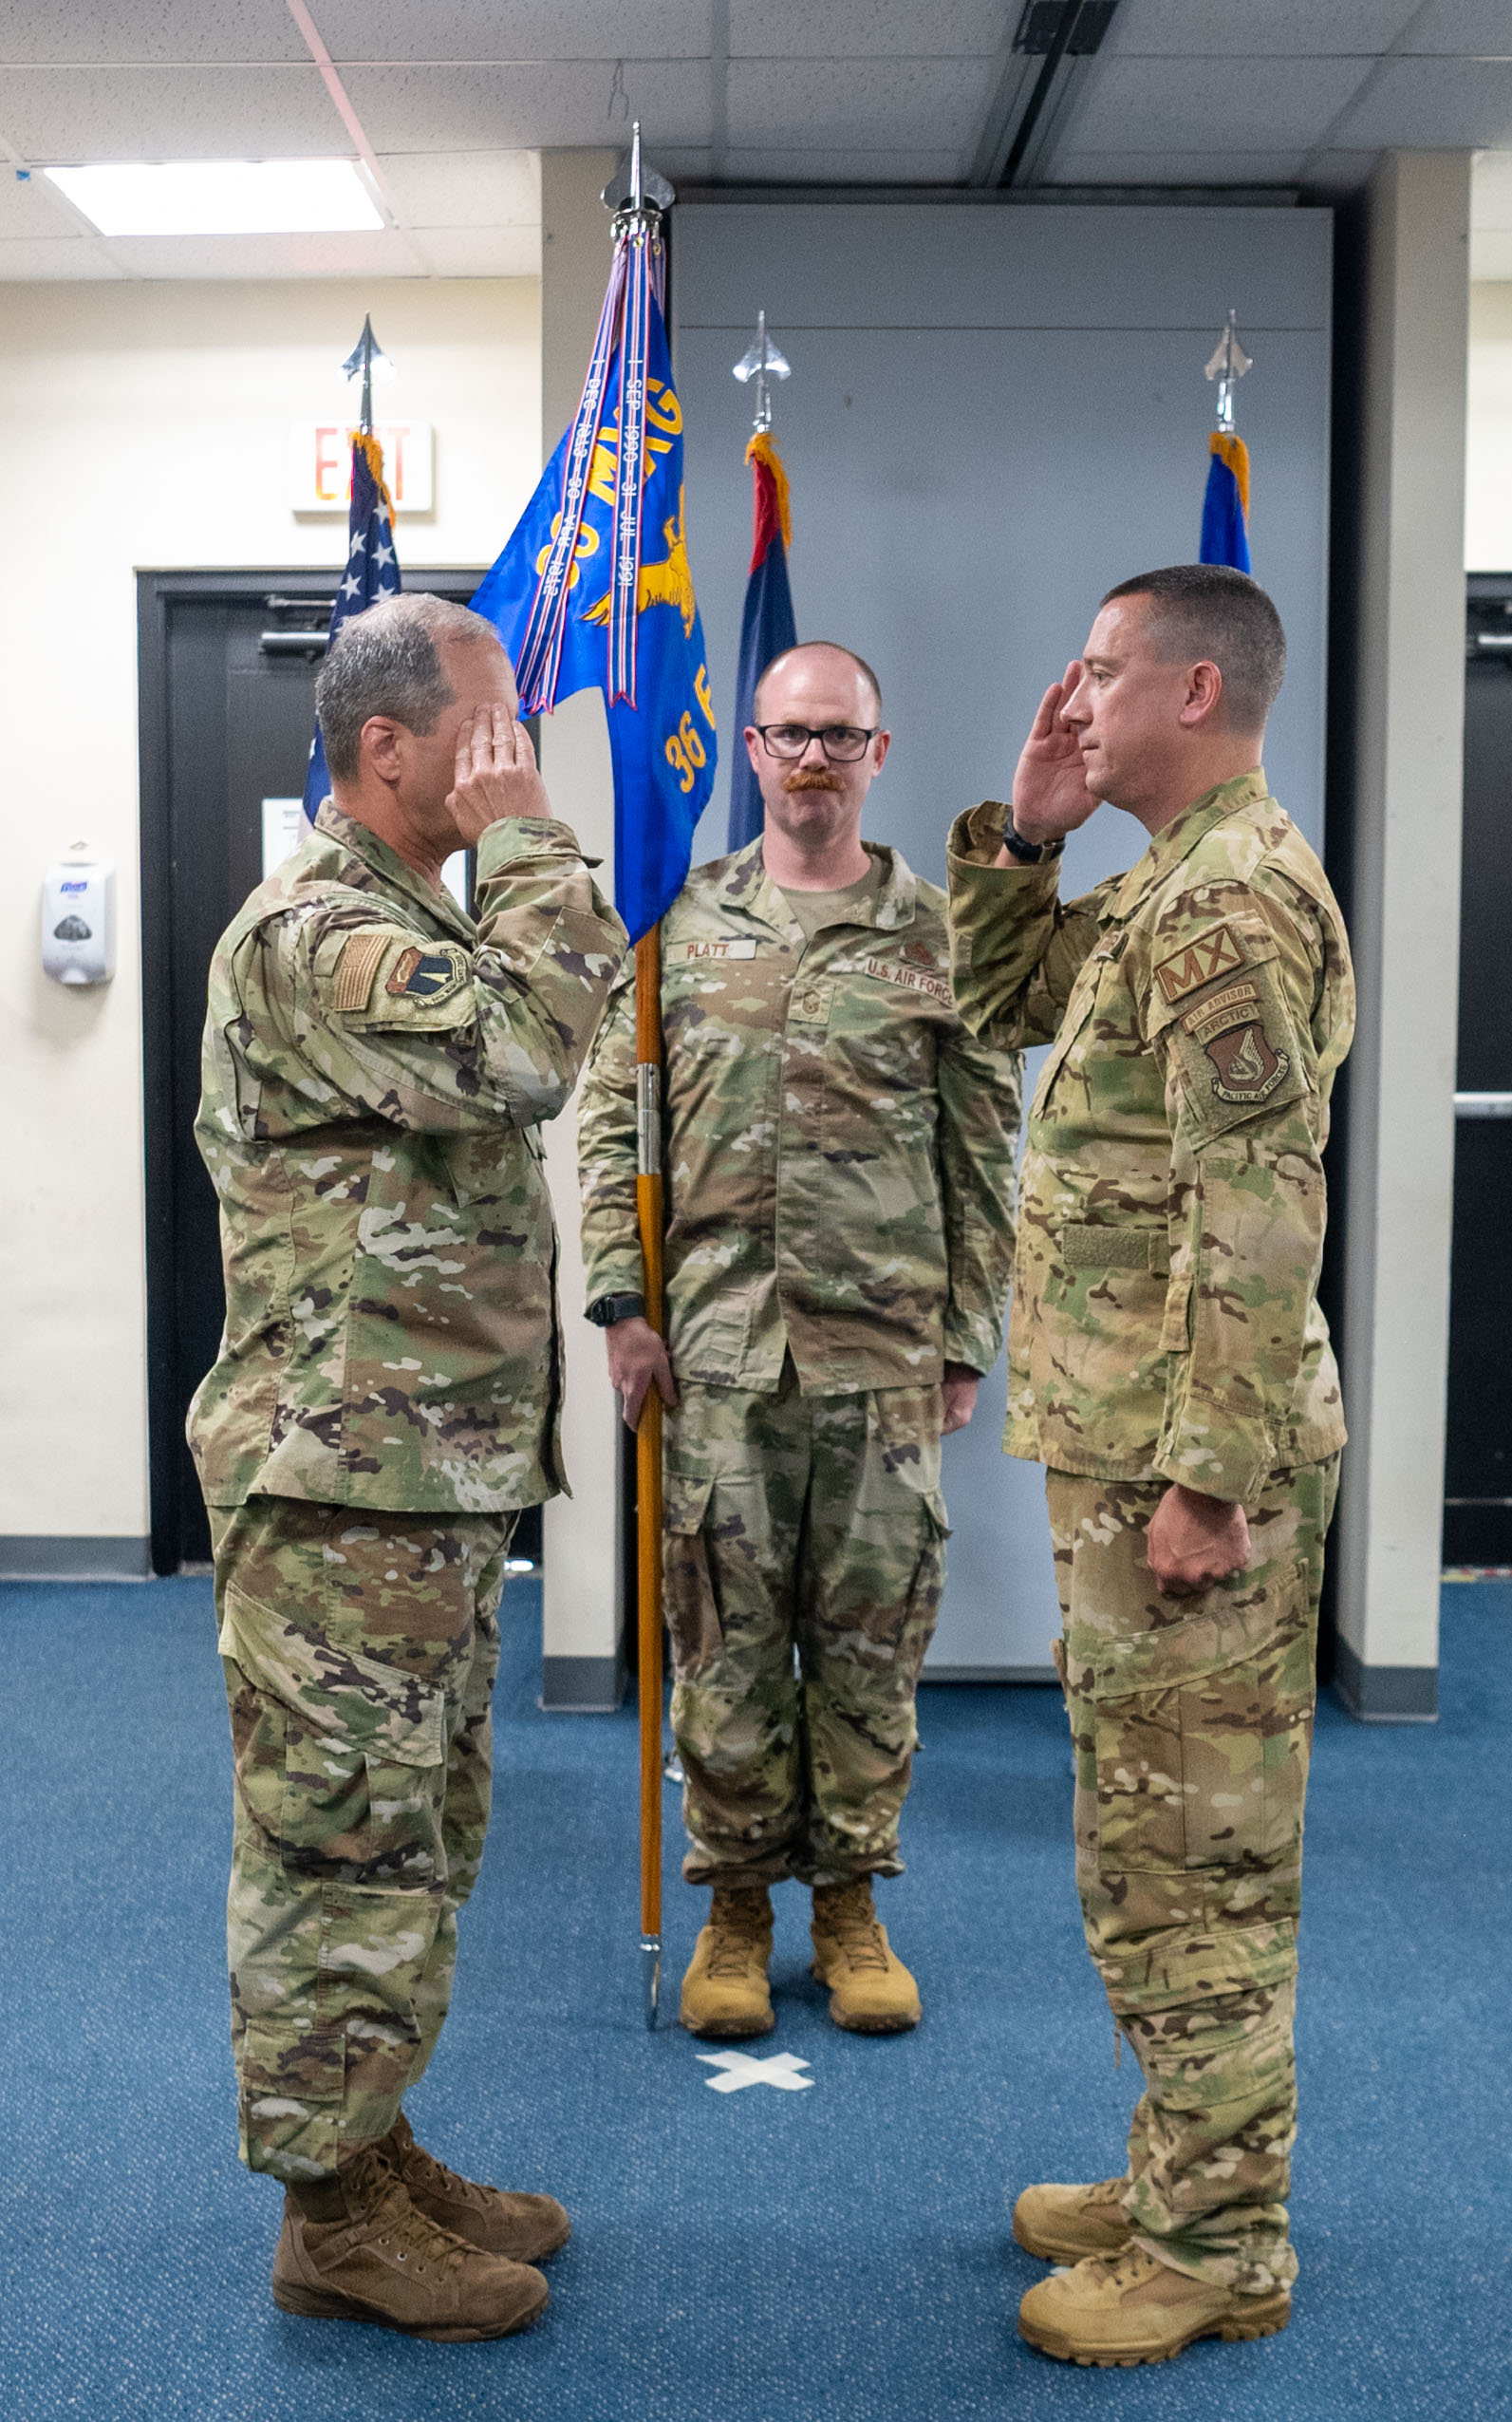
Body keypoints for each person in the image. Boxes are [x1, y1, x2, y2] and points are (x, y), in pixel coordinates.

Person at [188, 593, 626, 2340]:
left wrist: (497, 850)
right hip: (341, 1486)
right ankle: (326, 2213)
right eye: (490, 725)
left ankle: (369, 2147)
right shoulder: (318, 936)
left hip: (414, 1481)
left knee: (417, 1833)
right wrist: (533, 844)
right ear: (392, 750)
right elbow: (533, 1050)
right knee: (338, 1845)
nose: (510, 752)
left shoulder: (396, 914)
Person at [946, 566, 1353, 2368]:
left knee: (1194, 1858)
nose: (1074, 695)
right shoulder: (1173, 884)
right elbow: (1004, 1010)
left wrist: (1209, 1479)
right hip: (1131, 1442)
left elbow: (1262, 1215)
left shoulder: (1234, 907)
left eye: (1102, 673)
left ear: (1196, 693)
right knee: (1145, 1836)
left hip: (1188, 1464)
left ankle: (1221, 2244)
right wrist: (1023, 838)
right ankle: (1183, 2166)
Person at [577, 641, 1019, 2039]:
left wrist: (966, 1335)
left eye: (841, 735)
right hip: (714, 1355)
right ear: (750, 752)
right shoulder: (676, 922)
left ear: (880, 754)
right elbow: (611, 1122)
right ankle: (733, 1909)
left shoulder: (942, 937)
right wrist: (621, 1304)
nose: (815, 758)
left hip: (882, 1359)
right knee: (722, 1642)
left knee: (871, 1645)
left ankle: (849, 1906)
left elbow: (983, 1152)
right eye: (790, 735)